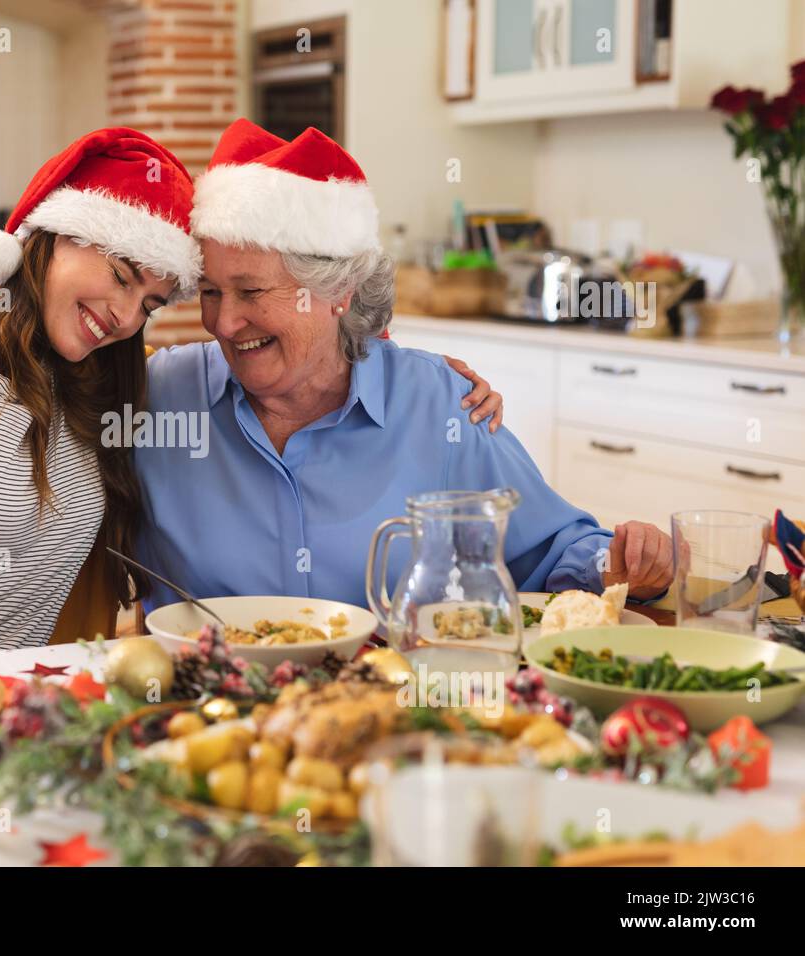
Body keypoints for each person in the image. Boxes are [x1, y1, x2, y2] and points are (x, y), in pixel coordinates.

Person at [0, 126, 506, 653]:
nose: (123, 316)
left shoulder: (117, 389)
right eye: (121, 276)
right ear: (48, 239)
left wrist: (417, 380)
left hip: (25, 707)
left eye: (149, 303)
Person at [133, 118, 673, 614]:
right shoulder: (156, 399)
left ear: (337, 290)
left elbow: (551, 546)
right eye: (209, 292)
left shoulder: (439, 402)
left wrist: (626, 565)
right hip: (196, 710)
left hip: (390, 704)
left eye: (250, 292)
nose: (224, 323)